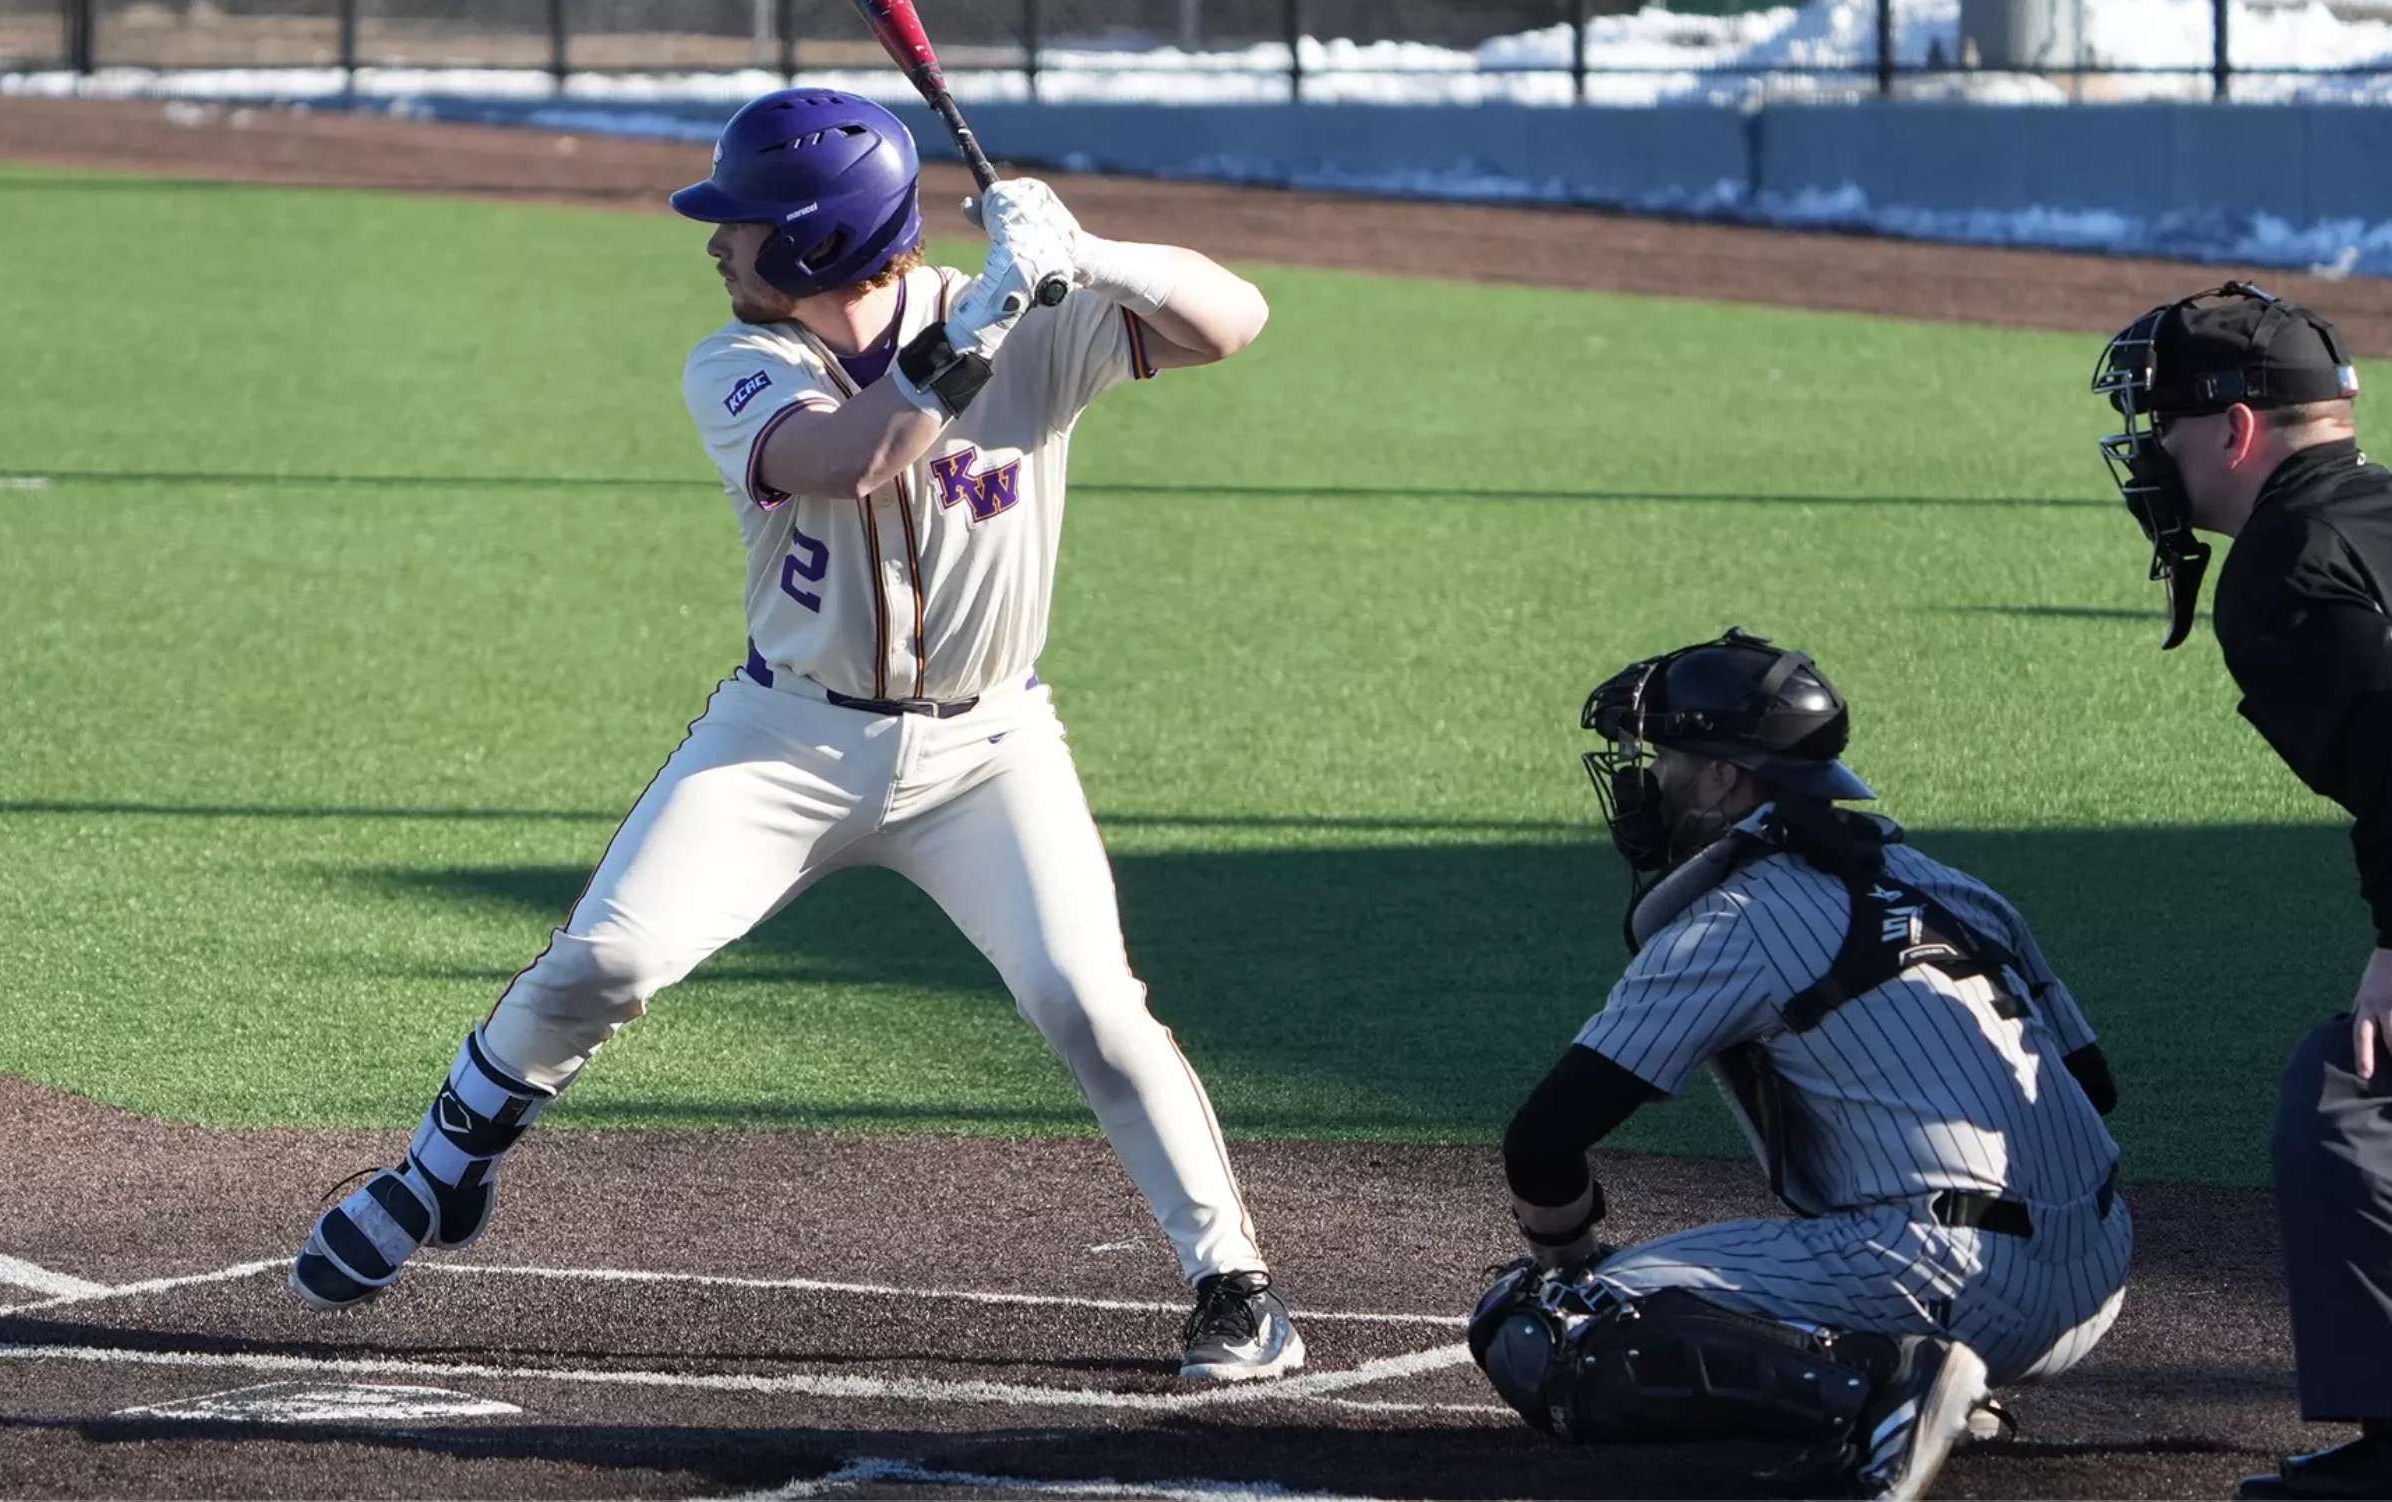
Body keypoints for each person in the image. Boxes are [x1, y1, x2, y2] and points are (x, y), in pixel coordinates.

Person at [284, 87, 1304, 1381]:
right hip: (785, 740)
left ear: (817, 241)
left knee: (1092, 1005)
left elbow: (1234, 320)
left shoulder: (1033, 319)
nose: (716, 243)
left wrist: (1088, 254)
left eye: (744, 223)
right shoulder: (740, 363)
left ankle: (1234, 1283)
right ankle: (441, 1166)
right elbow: (857, 455)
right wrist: (996, 307)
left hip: (991, 751)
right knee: (604, 959)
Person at [1467, 629, 2128, 1501]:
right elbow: (2092, 1085)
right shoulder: (1950, 883)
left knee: (1543, 1324)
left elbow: (1544, 1141)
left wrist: (1572, 1262)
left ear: (1725, 779)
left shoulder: (1740, 917)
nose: (1648, 777)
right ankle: (1942, 1380)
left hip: (1939, 1267)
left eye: (1668, 754)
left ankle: (1885, 1383)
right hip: (2099, 1270)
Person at [2091, 282, 2391, 1499]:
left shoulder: (2284, 562)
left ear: (2234, 429)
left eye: (2160, 425)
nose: (2150, 452)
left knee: (2346, 1108)